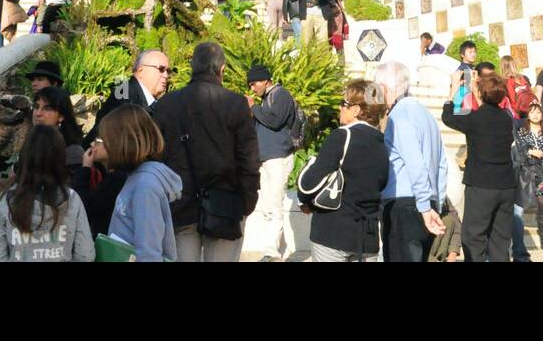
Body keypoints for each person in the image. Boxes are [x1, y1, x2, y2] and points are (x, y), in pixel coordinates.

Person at [151, 42, 260, 262]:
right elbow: (248, 159)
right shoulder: (236, 104)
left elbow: (154, 156)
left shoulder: (165, 105)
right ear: (222, 70)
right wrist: (248, 200)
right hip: (225, 203)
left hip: (180, 204)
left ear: (192, 67)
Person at [298, 79, 390, 262]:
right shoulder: (383, 144)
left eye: (343, 104)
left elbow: (309, 184)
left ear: (356, 110)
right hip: (367, 238)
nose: (340, 108)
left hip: (333, 232)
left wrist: (305, 201)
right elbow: (382, 183)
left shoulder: (342, 136)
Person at [0, 125, 95, 262]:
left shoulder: (6, 200)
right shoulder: (72, 199)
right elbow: (85, 255)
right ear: (60, 158)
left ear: (24, 156)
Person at [376, 60, 448, 262]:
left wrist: (425, 207)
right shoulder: (426, 114)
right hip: (426, 202)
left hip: (407, 205)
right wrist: (436, 204)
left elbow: (416, 164)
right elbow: (441, 164)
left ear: (384, 88)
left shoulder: (400, 117)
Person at [441, 73, 517, 262]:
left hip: (482, 185)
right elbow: (486, 108)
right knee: (500, 241)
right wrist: (477, 90)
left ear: (479, 92)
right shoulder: (507, 119)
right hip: (506, 185)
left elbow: (448, 116)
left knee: (473, 237)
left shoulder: (475, 119)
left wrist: (453, 89)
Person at [102, 105, 182, 262]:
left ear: (122, 142)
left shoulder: (145, 186)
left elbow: (149, 253)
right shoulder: (136, 178)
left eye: (106, 141)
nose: (104, 146)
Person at [246, 65, 298, 262]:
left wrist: (253, 107)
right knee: (268, 206)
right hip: (267, 160)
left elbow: (274, 121)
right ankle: (276, 249)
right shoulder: (267, 99)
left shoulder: (281, 94)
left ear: (265, 80)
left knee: (274, 206)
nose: (252, 88)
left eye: (254, 83)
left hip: (278, 158)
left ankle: (272, 251)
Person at [86, 50, 169, 145]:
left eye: (168, 71)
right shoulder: (124, 92)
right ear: (141, 70)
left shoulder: (149, 100)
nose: (166, 75)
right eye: (161, 69)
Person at [514, 102, 543, 251]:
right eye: (532, 112)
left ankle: (542, 218)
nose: (535, 114)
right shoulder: (522, 132)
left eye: (538, 112)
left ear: (542, 115)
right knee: (541, 201)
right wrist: (530, 152)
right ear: (528, 115)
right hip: (531, 174)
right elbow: (518, 152)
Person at [33, 86, 85, 168]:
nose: (38, 114)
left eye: (47, 109)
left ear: (61, 116)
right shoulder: (32, 140)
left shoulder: (72, 151)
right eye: (36, 107)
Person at [450, 40, 478, 113]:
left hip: (474, 105)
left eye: (474, 52)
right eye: (470, 52)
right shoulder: (461, 70)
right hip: (466, 108)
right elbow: (456, 90)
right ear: (462, 55)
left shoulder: (474, 68)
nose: (473, 54)